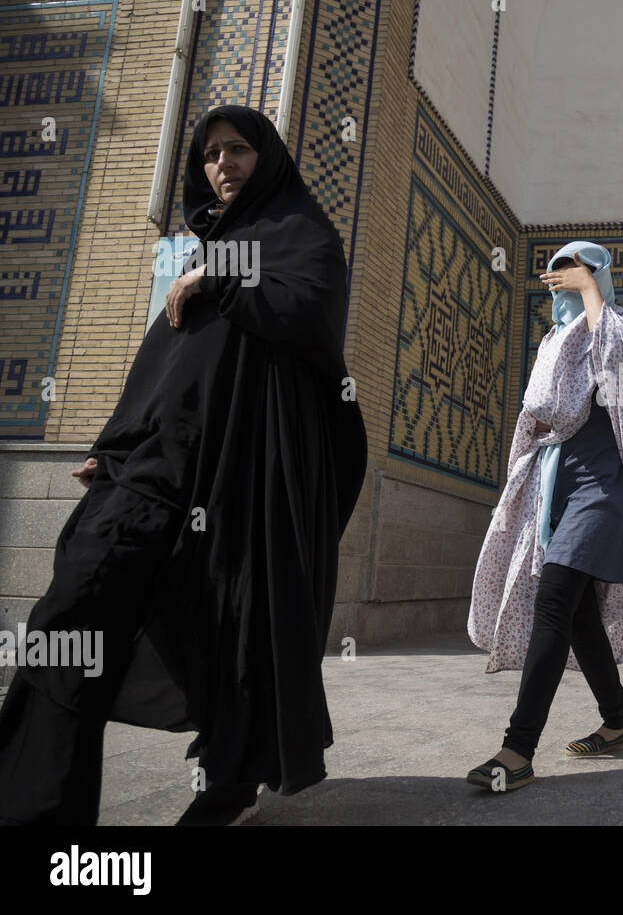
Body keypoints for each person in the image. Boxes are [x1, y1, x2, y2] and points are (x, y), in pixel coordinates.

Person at [0, 105, 367, 826]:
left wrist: (218, 279)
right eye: (209, 154)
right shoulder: (210, 250)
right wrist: (113, 448)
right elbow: (167, 367)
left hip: (240, 480)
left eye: (237, 150)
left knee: (233, 625)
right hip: (154, 473)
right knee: (72, 610)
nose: (222, 164)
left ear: (267, 158)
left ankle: (229, 782)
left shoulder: (303, 235)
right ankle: (33, 808)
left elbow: (308, 315)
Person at [466, 241, 623, 792]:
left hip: (603, 491)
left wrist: (590, 293)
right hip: (554, 487)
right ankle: (618, 719)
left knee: (553, 600)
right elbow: (540, 412)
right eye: (557, 269)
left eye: (575, 269)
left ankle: (517, 749)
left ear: (598, 274)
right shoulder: (553, 341)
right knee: (578, 616)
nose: (563, 277)